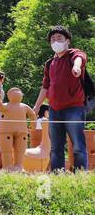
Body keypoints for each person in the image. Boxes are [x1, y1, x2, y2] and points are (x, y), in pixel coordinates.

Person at [35, 26, 88, 171]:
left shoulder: (73, 54)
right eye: (53, 39)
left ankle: (81, 175)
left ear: (67, 41)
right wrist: (37, 106)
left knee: (78, 145)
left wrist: (76, 68)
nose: (56, 41)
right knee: (56, 147)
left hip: (74, 108)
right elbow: (45, 87)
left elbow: (80, 58)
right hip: (54, 110)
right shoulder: (49, 63)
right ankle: (58, 175)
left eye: (59, 38)